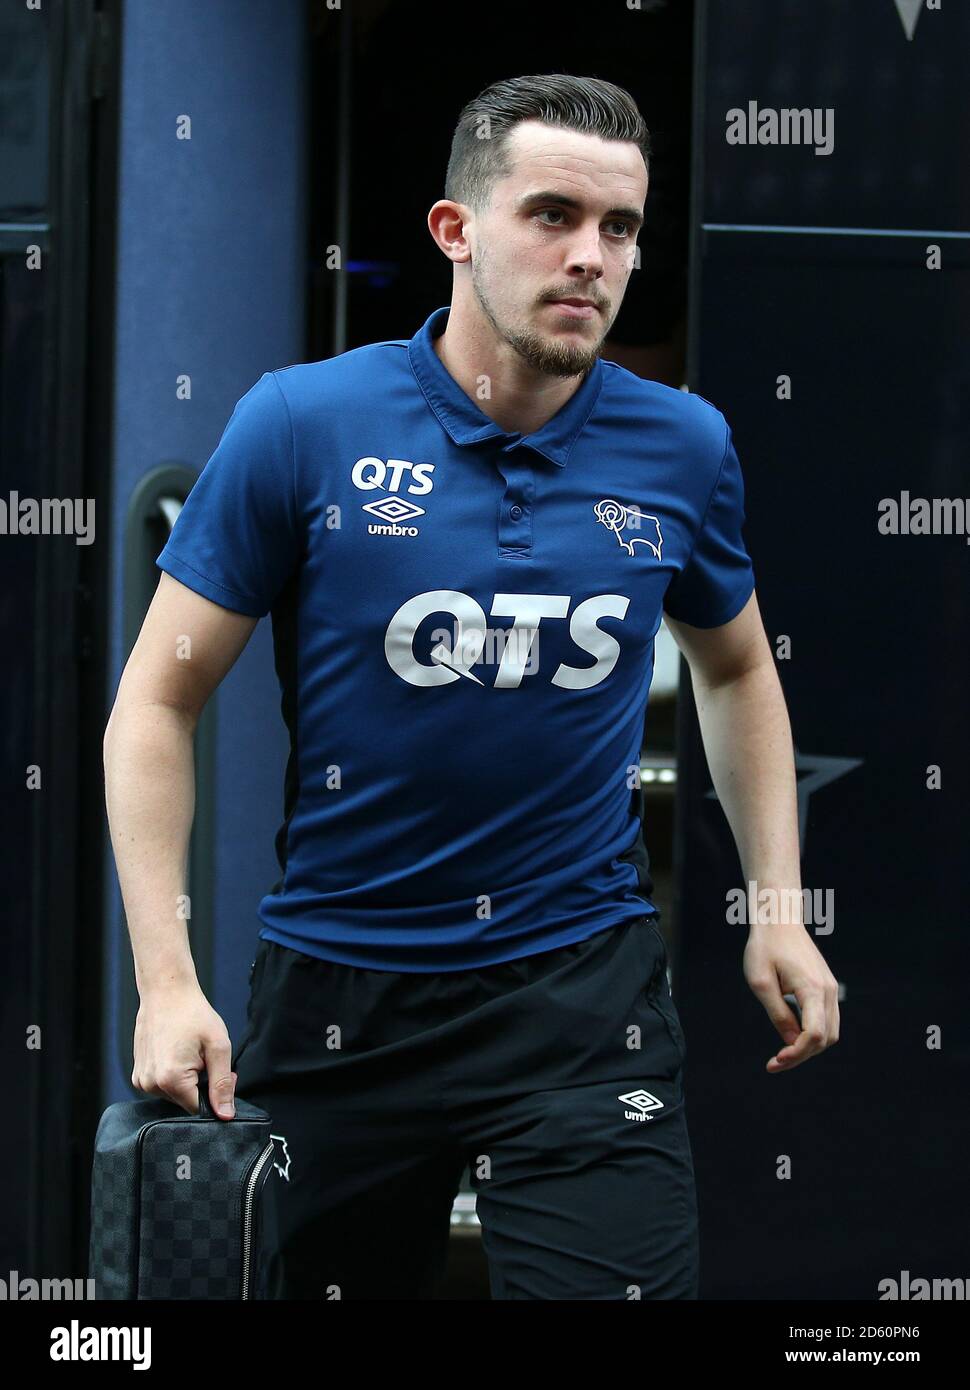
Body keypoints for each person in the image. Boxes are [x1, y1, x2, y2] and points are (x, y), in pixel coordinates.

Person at [103, 73, 839, 1301]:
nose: (592, 257)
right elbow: (155, 706)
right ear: (455, 231)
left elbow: (737, 667)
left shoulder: (683, 445)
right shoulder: (301, 424)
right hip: (342, 995)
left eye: (619, 228)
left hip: (580, 993)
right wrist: (166, 982)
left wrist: (777, 902)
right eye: (551, 215)